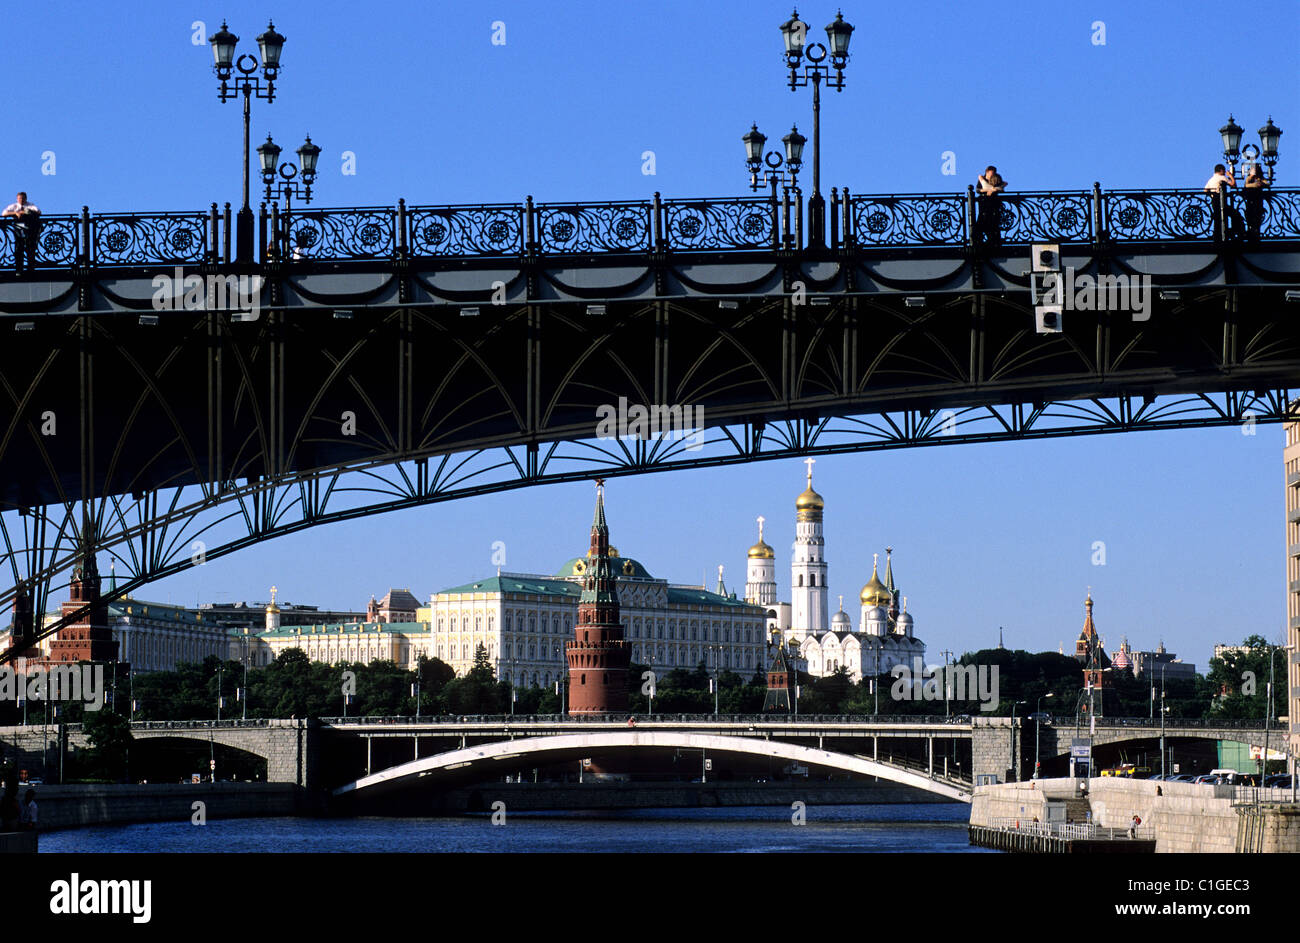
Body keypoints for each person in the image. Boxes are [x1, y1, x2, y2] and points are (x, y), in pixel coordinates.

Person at [1, 192, 41, 274]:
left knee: (30, 248)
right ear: (17, 199)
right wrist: (15, 213)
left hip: (29, 230)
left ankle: (30, 269)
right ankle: (19, 269)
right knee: (19, 249)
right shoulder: (14, 206)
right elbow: (4, 213)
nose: (21, 200)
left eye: (23, 198)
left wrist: (23, 212)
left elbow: (38, 212)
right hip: (18, 230)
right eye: (19, 198)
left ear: (26, 199)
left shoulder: (30, 205)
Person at [1203, 164, 1240, 240]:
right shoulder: (1222, 178)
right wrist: (1230, 176)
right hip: (1221, 200)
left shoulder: (1211, 179)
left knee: (1217, 217)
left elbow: (1205, 190)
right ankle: (1235, 231)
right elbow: (1233, 185)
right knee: (1234, 214)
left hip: (1214, 201)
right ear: (1221, 170)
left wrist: (1212, 195)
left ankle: (1217, 234)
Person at [975, 166, 1006, 246]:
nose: (993, 174)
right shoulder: (983, 179)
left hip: (992, 204)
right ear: (987, 172)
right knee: (983, 221)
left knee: (992, 223)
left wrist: (993, 190)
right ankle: (982, 240)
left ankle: (992, 240)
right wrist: (990, 190)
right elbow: (978, 190)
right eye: (992, 172)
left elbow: (1003, 184)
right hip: (984, 203)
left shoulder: (995, 178)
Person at [1243, 163, 1269, 242]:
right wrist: (1254, 183)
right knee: (1250, 216)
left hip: (1258, 199)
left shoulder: (1260, 178)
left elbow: (1267, 184)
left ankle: (1256, 232)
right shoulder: (1249, 178)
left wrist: (1261, 183)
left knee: (1258, 216)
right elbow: (1246, 185)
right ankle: (1250, 231)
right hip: (1250, 200)